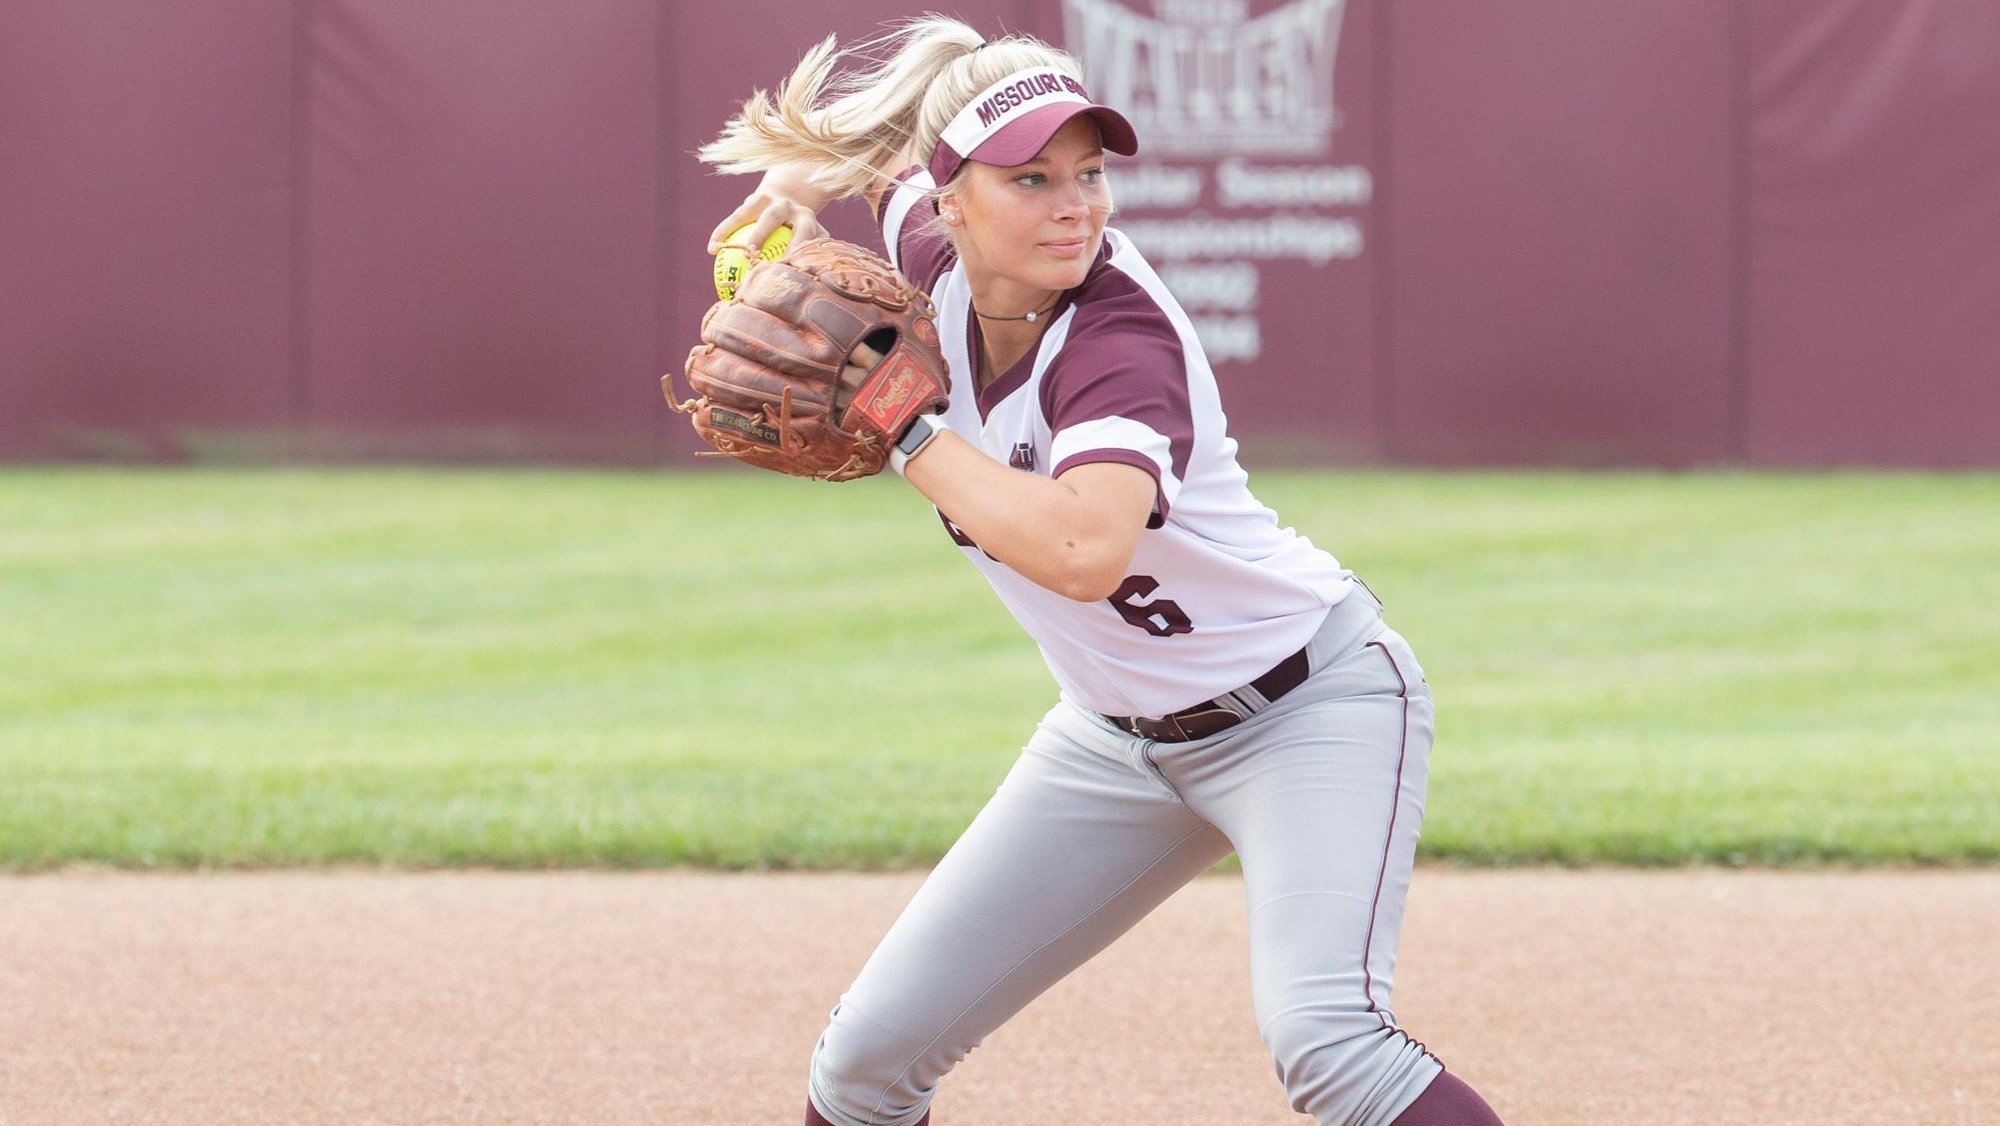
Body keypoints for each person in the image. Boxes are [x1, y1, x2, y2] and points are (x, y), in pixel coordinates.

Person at [699, 16, 1506, 1126]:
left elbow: (1083, 550)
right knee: (864, 1063)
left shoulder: (1117, 338)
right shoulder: (927, 256)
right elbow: (892, 150)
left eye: (1087, 172)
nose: (1074, 203)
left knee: (1329, 1042)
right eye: (1030, 178)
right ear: (952, 204)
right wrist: (795, 183)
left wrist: (904, 428)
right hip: (1112, 741)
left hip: (1306, 709)